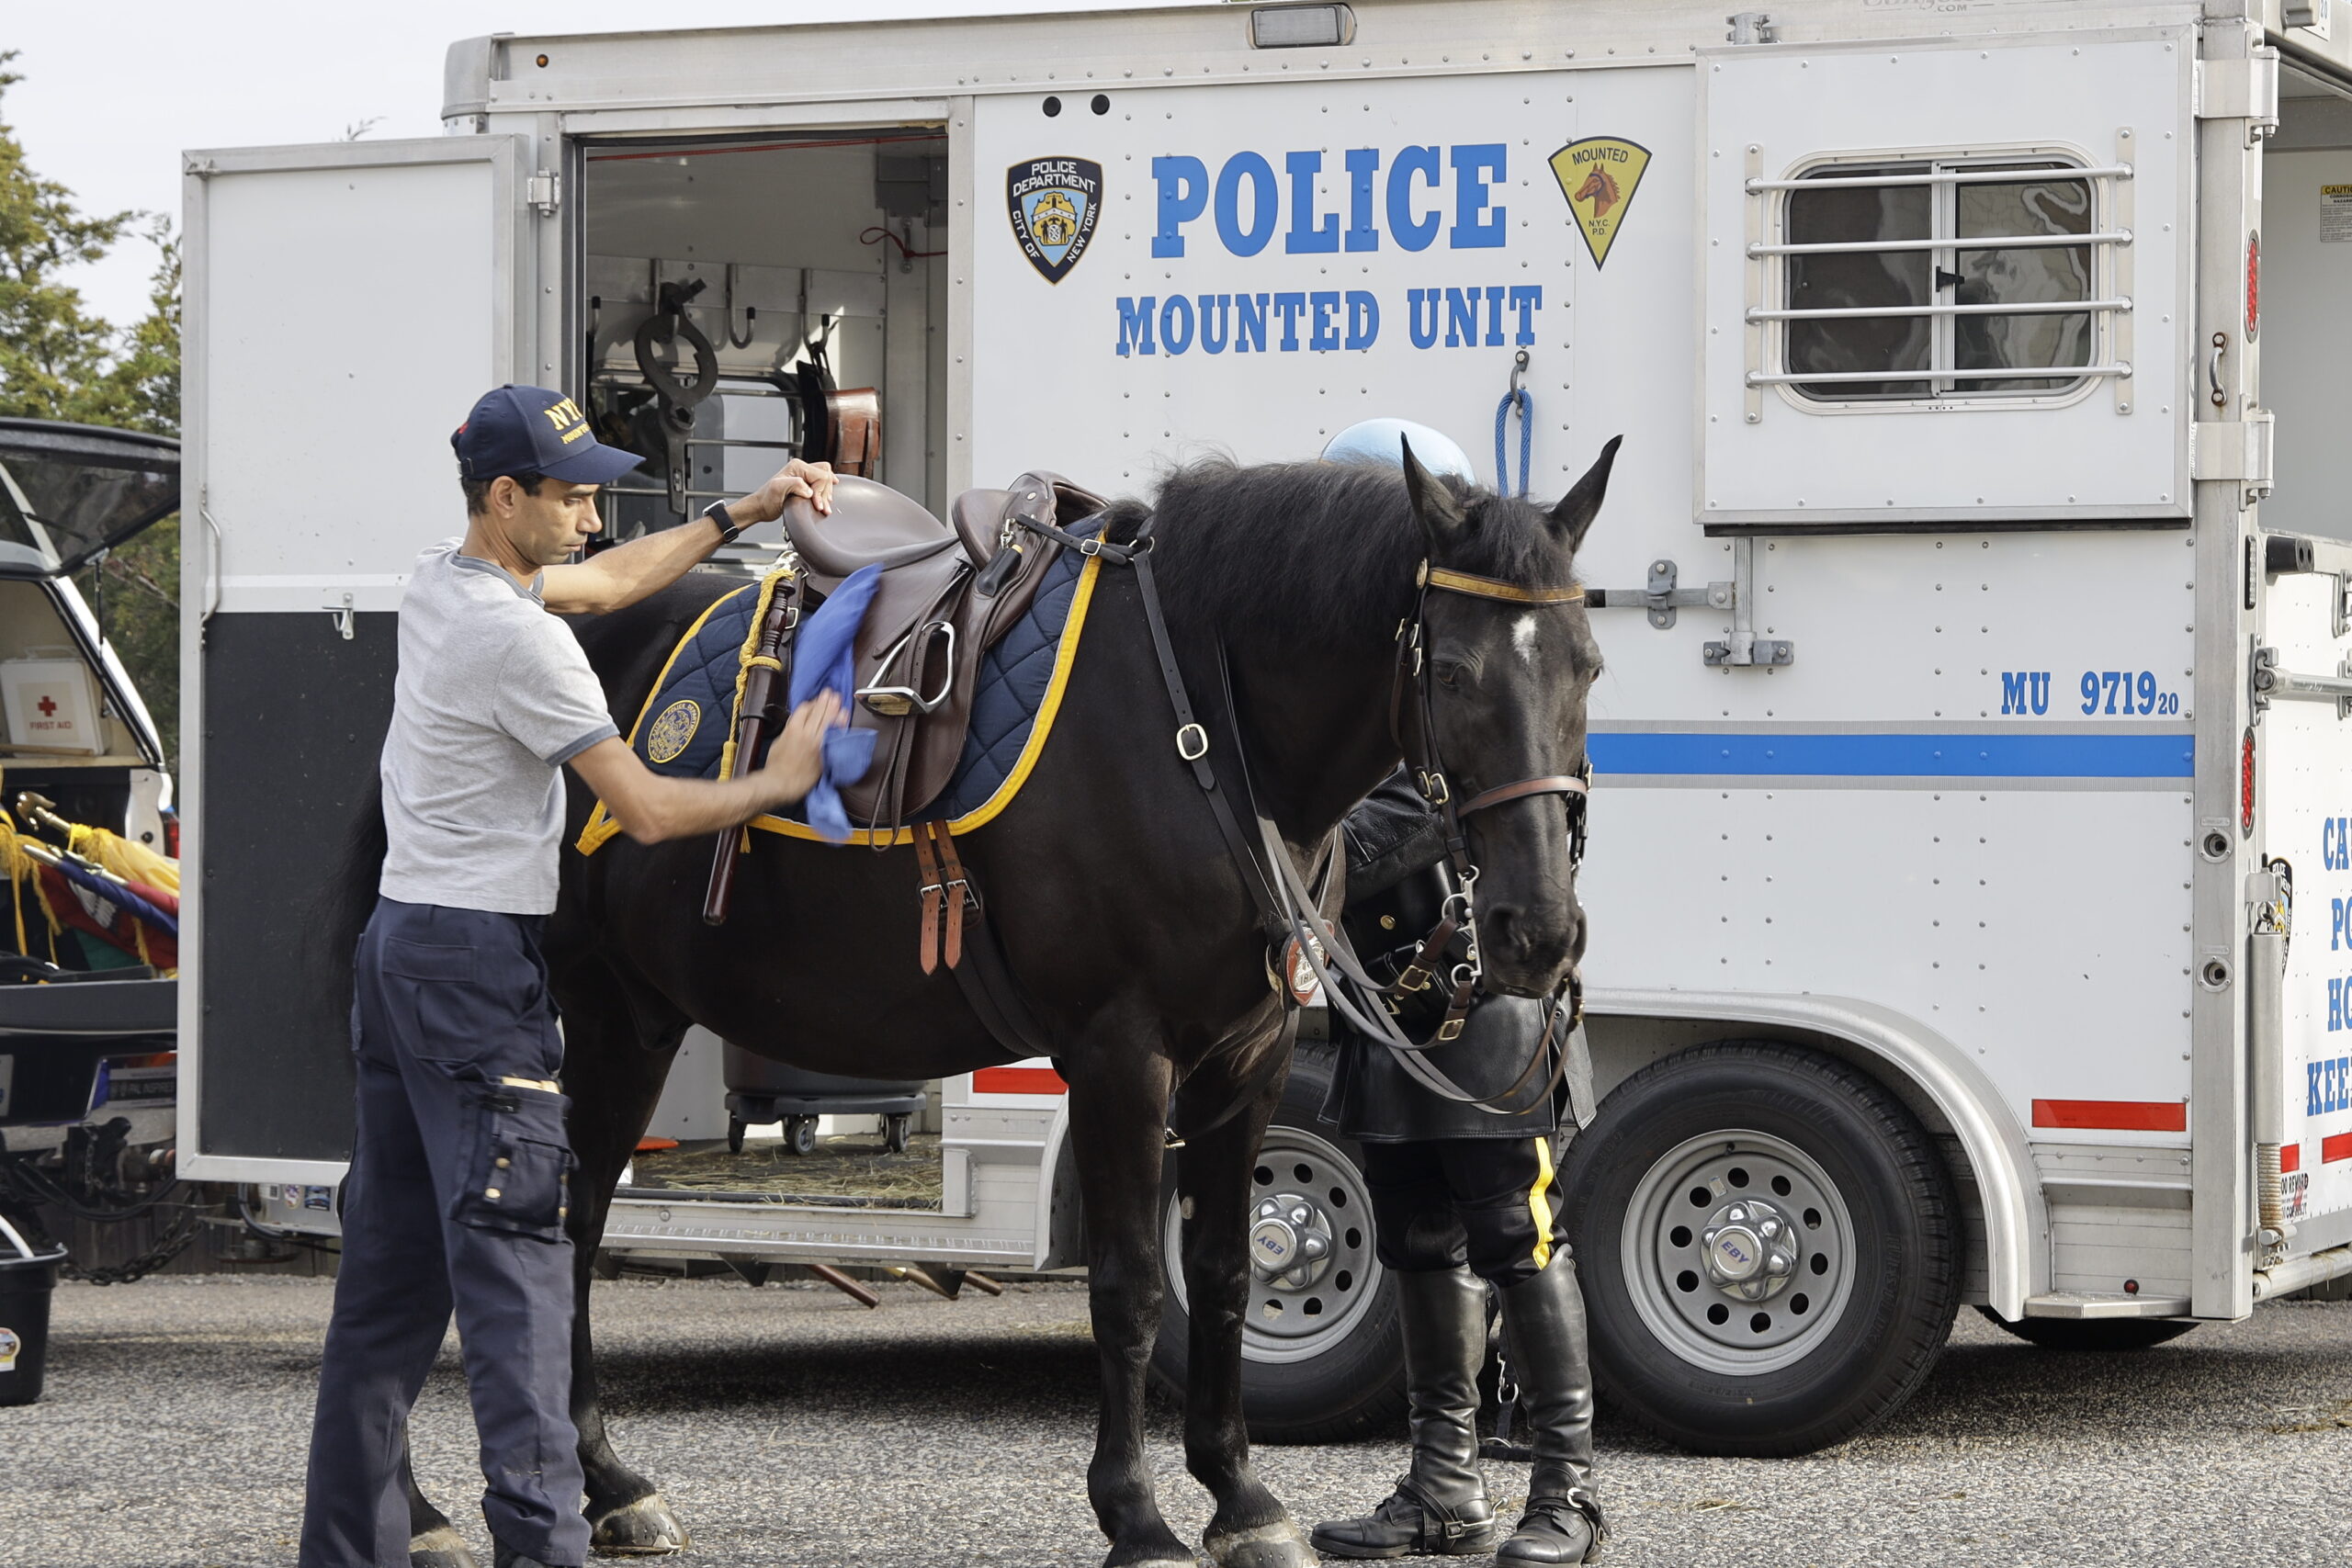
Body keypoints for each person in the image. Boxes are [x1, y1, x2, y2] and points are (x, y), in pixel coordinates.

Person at [300, 384, 842, 1568]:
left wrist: (733, 516)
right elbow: (645, 810)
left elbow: (613, 582)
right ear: (508, 498)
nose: (592, 518)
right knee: (519, 1290)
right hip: (476, 972)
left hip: (400, 956)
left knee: (386, 1299)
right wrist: (780, 775)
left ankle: (346, 1551)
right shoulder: (522, 641)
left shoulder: (443, 584)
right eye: (574, 495)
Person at [1307, 771, 1605, 1565]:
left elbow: (1417, 811)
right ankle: (1444, 1491)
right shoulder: (1370, 687)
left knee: (1520, 1235)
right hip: (1383, 1006)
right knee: (1417, 1240)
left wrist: (1291, 839)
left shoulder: (1470, 686)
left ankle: (1566, 1494)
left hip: (1491, 1000)